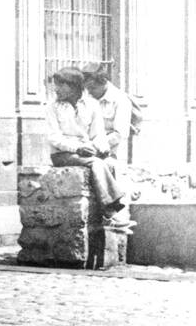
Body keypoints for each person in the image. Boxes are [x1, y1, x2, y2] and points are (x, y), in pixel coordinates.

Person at [45, 67, 132, 232]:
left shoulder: (91, 105)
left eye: (61, 85)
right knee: (96, 164)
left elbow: (98, 134)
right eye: (55, 85)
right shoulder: (52, 107)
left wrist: (99, 147)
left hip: (86, 151)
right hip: (63, 154)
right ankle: (111, 210)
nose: (56, 89)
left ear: (74, 86)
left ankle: (102, 215)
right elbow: (54, 138)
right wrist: (78, 148)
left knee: (110, 164)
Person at [82, 69, 134, 162]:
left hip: (111, 152)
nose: (89, 92)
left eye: (93, 88)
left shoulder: (121, 100)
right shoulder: (88, 98)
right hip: (87, 149)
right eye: (87, 88)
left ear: (104, 83)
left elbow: (119, 134)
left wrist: (95, 145)